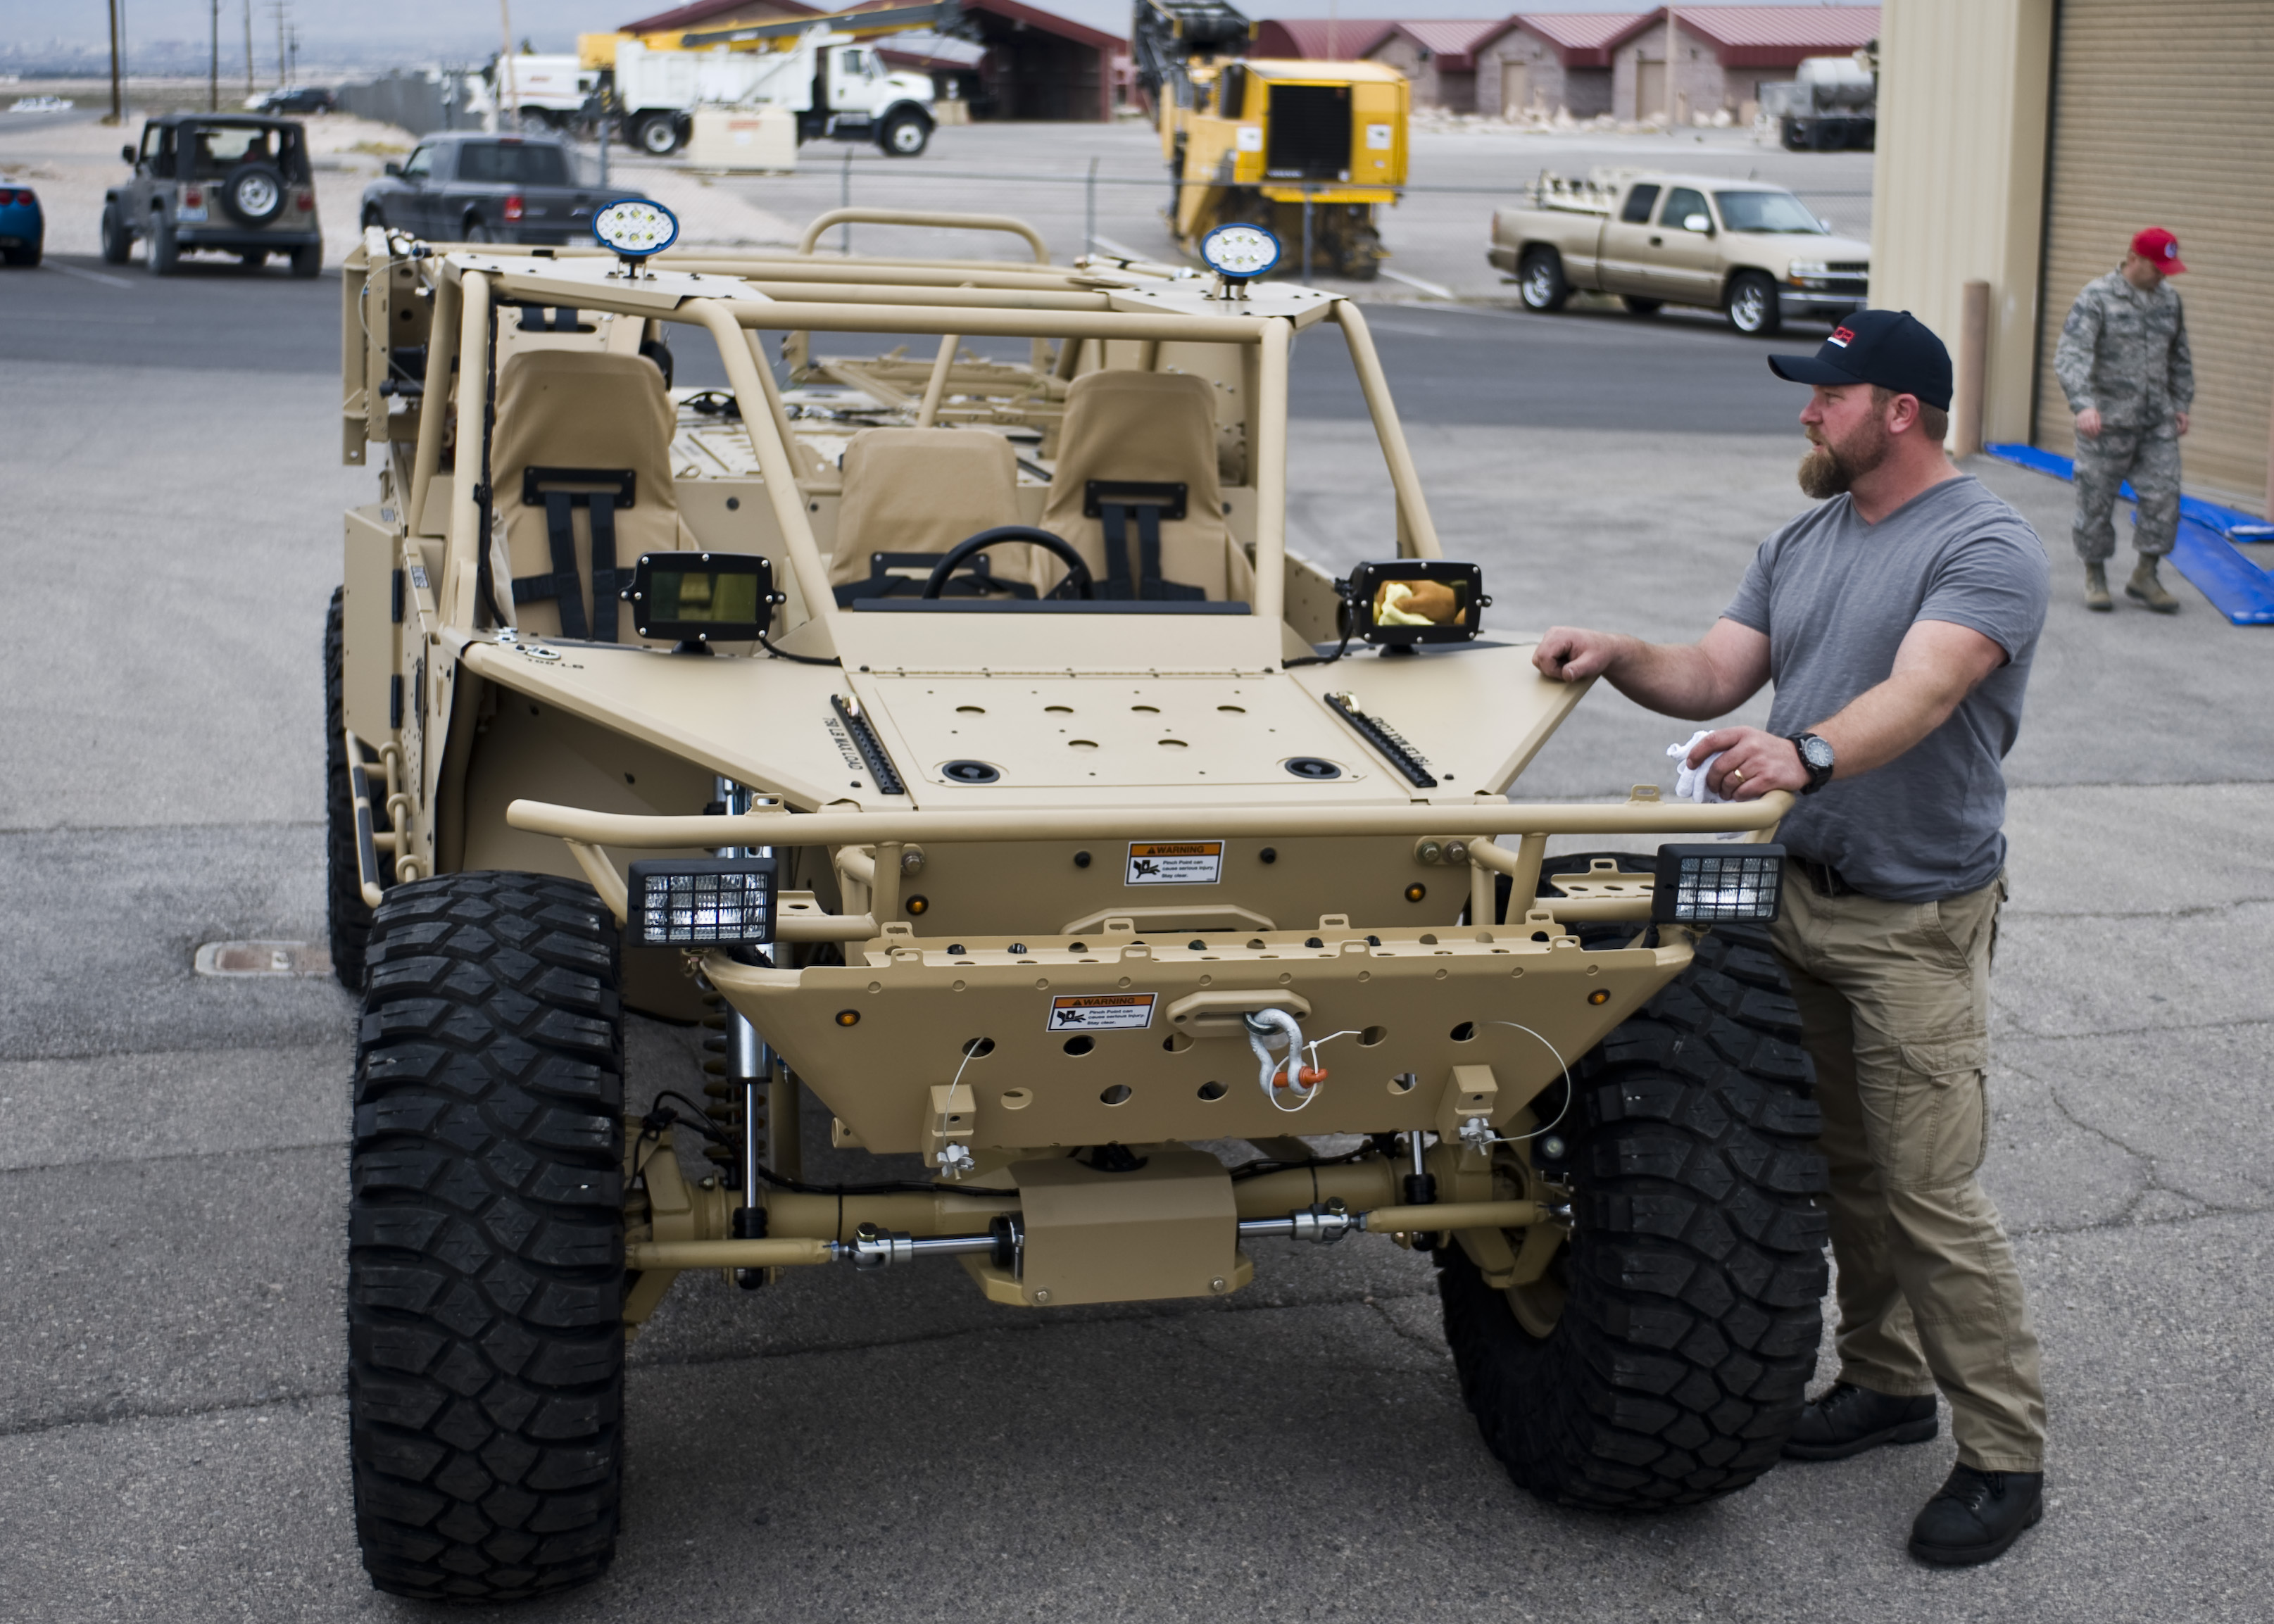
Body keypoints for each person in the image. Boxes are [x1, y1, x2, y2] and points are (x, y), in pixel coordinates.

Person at [1531, 310, 2052, 1567]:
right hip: (1795, 894)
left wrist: (1806, 749)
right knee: (1844, 1171)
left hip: (1912, 915)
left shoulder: (1986, 543)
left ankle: (2006, 1453)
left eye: (1830, 393)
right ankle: (1885, 1384)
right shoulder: (1806, 537)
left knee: (1929, 1188)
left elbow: (1926, 689)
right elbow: (1717, 671)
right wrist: (1617, 654)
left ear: (1900, 413)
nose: (1808, 412)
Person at [2055, 227, 2194, 613]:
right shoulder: (2097, 297)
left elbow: (2179, 357)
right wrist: (2083, 404)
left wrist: (2181, 402)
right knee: (2095, 502)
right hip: (2106, 424)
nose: (2165, 275)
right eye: (2158, 267)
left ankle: (2145, 575)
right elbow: (2071, 355)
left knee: (2165, 497)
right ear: (2135, 259)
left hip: (2156, 423)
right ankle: (2095, 574)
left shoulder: (2169, 301)